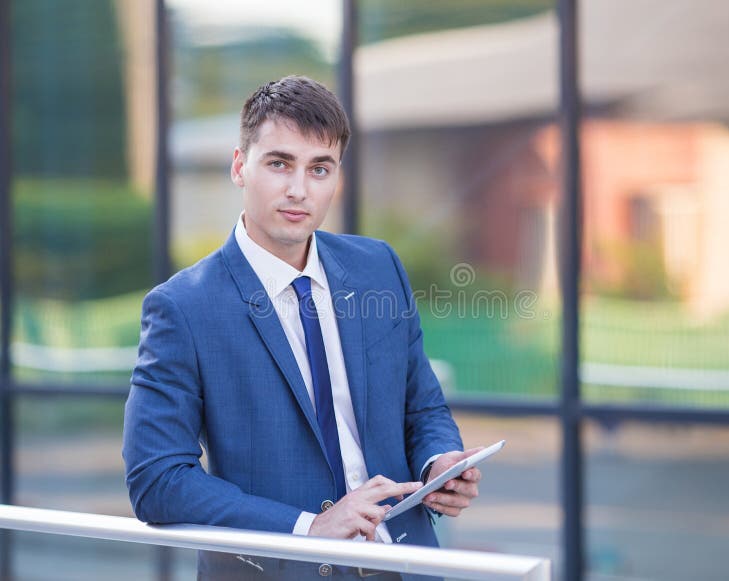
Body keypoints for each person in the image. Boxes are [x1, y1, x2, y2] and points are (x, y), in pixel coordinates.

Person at [123, 75, 481, 580]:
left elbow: (421, 406)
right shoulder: (182, 307)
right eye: (279, 163)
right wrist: (307, 527)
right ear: (239, 166)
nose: (299, 189)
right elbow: (157, 478)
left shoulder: (378, 268)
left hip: (403, 563)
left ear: (338, 177)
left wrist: (438, 463)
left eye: (319, 169)